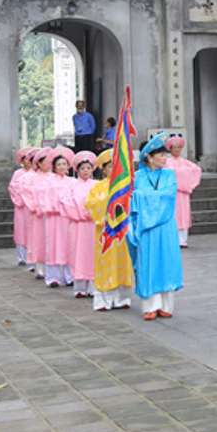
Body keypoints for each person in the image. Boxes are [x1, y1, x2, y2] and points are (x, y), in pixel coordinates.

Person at [129, 134, 185, 320]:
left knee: (166, 262)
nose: (164, 158)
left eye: (165, 155)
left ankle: (166, 305)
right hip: (145, 227)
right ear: (149, 157)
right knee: (148, 262)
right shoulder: (137, 176)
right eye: (160, 155)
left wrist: (143, 197)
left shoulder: (169, 175)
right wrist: (146, 197)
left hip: (165, 224)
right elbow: (132, 199)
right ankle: (150, 306)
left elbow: (168, 196)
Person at [86, 148, 135, 311]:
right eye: (109, 166)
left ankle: (122, 298)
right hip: (106, 231)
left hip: (123, 231)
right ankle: (103, 299)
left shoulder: (126, 185)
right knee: (105, 262)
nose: (113, 169)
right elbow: (92, 205)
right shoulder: (98, 187)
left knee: (123, 262)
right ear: (103, 169)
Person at [64, 151, 99, 298]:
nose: (86, 171)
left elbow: (101, 202)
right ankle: (79, 286)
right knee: (78, 253)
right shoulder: (72, 185)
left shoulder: (97, 185)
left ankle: (93, 286)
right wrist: (79, 214)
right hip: (78, 225)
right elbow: (66, 202)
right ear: (77, 170)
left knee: (93, 254)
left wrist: (94, 214)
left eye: (88, 168)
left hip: (93, 225)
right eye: (83, 168)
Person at [42, 147, 76, 288]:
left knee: (69, 245)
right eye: (59, 164)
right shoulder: (49, 182)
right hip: (54, 218)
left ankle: (70, 276)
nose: (62, 167)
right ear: (54, 167)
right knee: (54, 245)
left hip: (68, 218)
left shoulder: (72, 182)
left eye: (64, 164)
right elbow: (44, 199)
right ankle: (53, 277)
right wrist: (54, 207)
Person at [165, 135, 202, 248]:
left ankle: (183, 239)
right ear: (170, 148)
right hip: (172, 193)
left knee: (184, 214)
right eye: (174, 147)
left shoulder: (186, 162)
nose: (177, 150)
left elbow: (196, 170)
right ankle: (173, 239)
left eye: (179, 147)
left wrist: (187, 184)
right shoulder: (167, 162)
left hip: (183, 194)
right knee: (173, 215)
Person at [23, 149, 52, 278]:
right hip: (38, 215)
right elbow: (27, 194)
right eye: (45, 162)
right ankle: (40, 267)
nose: (48, 164)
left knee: (52, 240)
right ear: (39, 163)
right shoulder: (32, 178)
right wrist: (36, 207)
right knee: (38, 239)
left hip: (52, 214)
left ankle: (53, 269)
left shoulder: (54, 178)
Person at [9, 147, 33, 266]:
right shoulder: (17, 174)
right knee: (20, 230)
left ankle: (32, 256)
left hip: (32, 207)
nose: (28, 162)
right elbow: (13, 188)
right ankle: (21, 256)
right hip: (21, 206)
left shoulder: (35, 174)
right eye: (26, 159)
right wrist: (21, 198)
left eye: (30, 159)